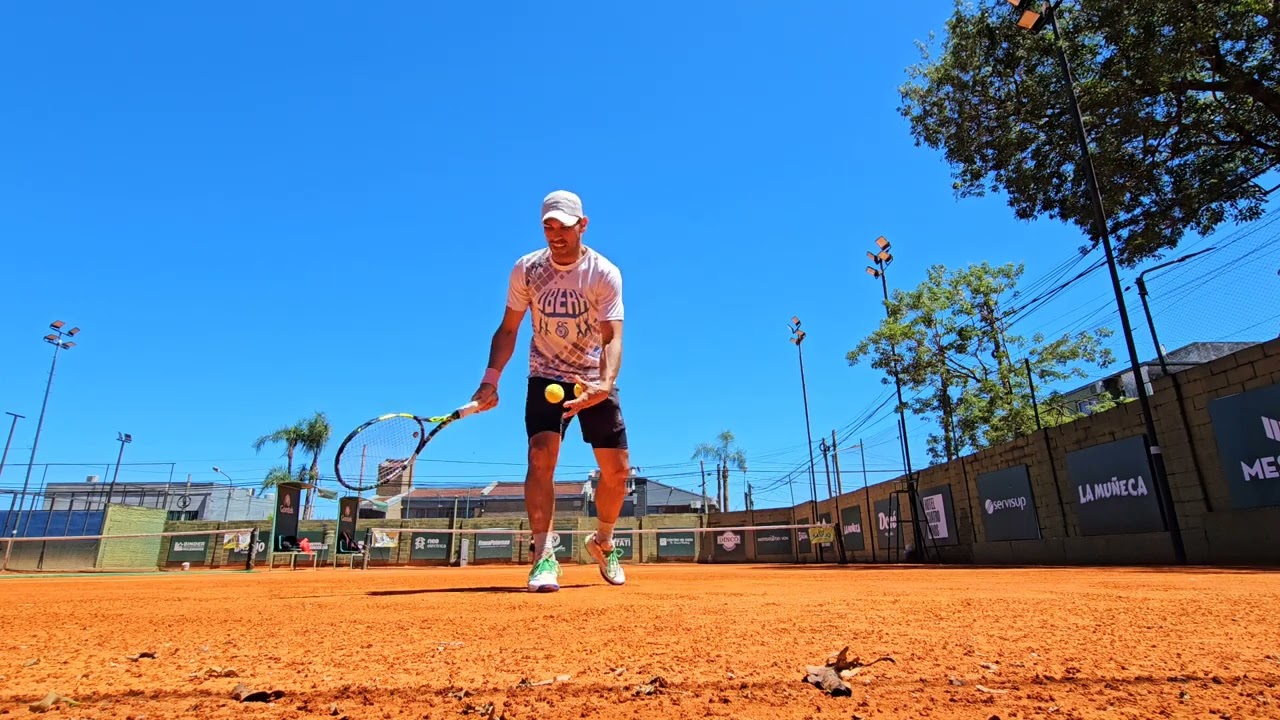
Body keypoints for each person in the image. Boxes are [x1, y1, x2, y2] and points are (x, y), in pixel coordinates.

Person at [470, 189, 630, 593]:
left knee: (617, 471)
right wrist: (491, 379)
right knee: (541, 456)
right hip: (545, 373)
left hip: (592, 377)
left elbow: (612, 335)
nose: (556, 235)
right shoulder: (526, 270)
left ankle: (603, 542)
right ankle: (543, 556)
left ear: (583, 225)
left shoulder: (603, 272)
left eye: (565, 226)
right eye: (549, 226)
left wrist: (604, 384)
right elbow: (508, 329)